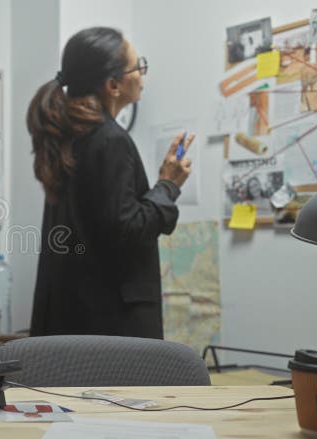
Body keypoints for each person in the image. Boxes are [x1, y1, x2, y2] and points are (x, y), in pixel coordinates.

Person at [27, 27, 194, 339]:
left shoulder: (69, 137)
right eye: (137, 66)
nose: (142, 75)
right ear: (113, 85)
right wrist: (168, 186)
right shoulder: (109, 140)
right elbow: (126, 229)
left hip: (72, 320)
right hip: (112, 328)